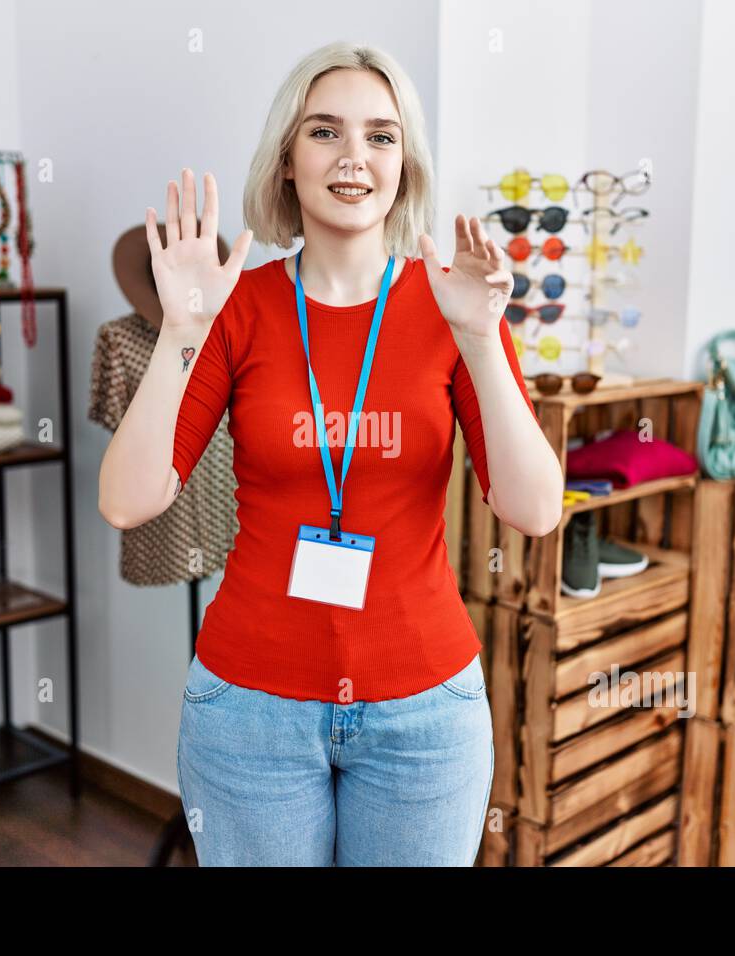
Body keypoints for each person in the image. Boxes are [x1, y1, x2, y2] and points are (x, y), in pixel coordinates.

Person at [98, 41, 562, 865]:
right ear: (286, 159)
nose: (355, 157)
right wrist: (181, 330)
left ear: (406, 164)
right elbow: (128, 500)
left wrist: (483, 342)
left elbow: (533, 509)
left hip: (423, 713)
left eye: (382, 136)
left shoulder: (452, 305)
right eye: (325, 132)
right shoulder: (237, 307)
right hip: (249, 710)